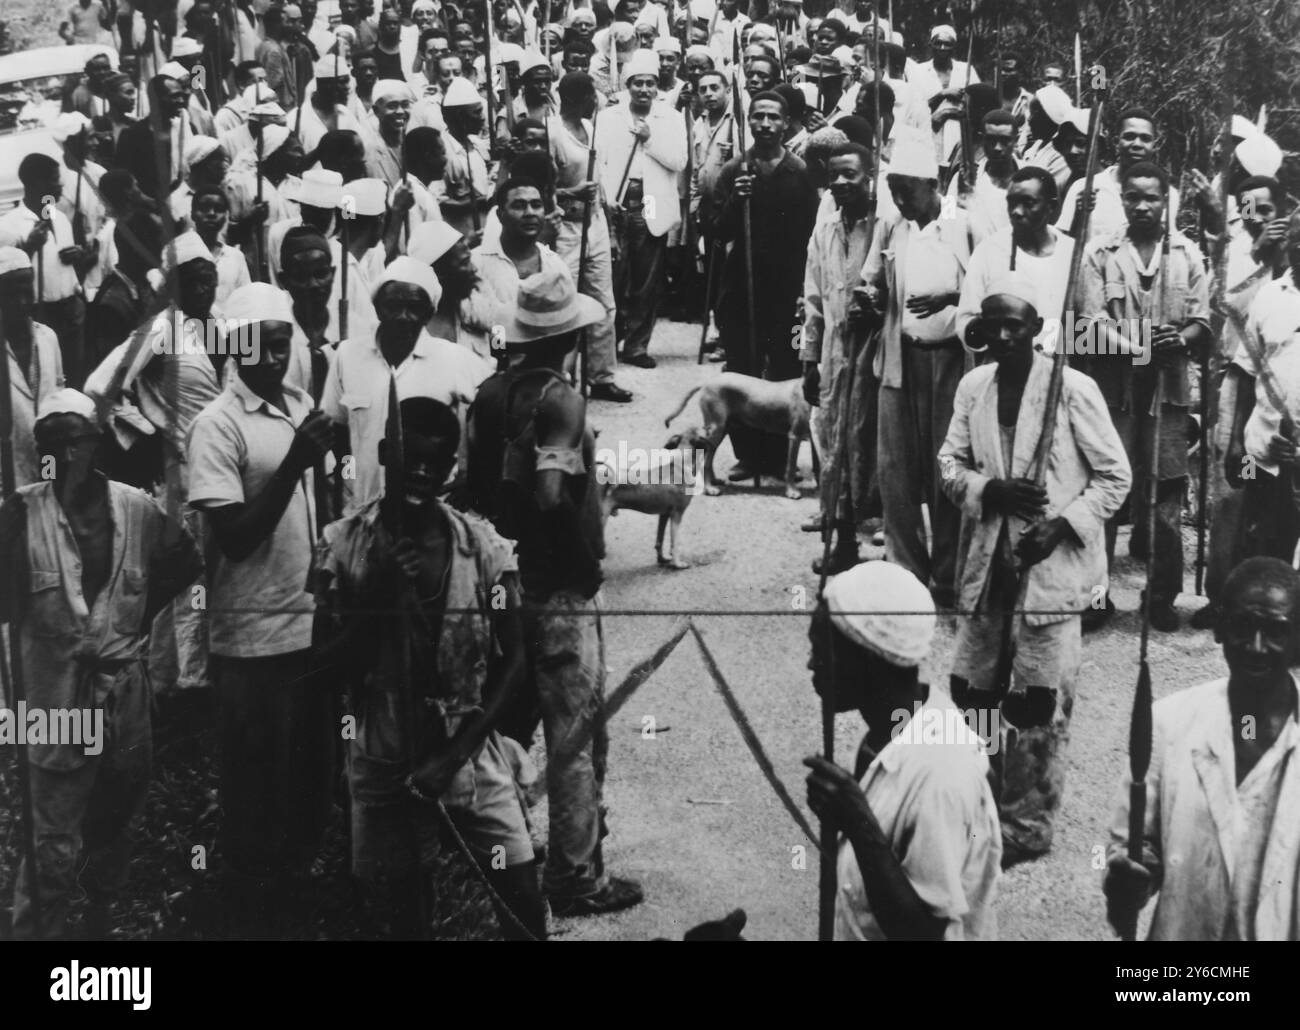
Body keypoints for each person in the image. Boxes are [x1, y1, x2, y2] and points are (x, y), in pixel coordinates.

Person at [314, 395, 546, 940]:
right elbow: (323, 667)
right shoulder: (343, 546)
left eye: (435, 462)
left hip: (469, 748)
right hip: (383, 745)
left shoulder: (482, 546)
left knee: (520, 897)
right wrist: (378, 598)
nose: (420, 472)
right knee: (401, 907)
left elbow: (515, 662)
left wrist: (455, 753)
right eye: (409, 457)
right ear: (383, 455)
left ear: (450, 469)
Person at [467, 268, 644, 917]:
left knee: (508, 727)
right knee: (573, 737)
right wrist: (580, 561)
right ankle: (574, 877)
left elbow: (474, 490)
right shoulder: (561, 400)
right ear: (567, 334)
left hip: (501, 584)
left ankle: (499, 852)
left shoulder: (488, 395)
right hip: (555, 587)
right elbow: (549, 491)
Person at [942, 274, 1131, 865]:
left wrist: (1061, 525)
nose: (1002, 335)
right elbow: (949, 464)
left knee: (1036, 705)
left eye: (1014, 325)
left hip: (1048, 577)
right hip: (987, 572)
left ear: (1036, 330)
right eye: (992, 324)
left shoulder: (1072, 390)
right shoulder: (974, 387)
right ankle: (979, 807)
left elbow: (1115, 477)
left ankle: (1026, 824)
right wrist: (987, 487)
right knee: (971, 693)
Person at [1, 388, 202, 940]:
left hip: (123, 691)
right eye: (52, 445)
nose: (66, 456)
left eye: (76, 441)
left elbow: (186, 558)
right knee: (52, 842)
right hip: (53, 697)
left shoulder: (135, 507)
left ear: (95, 444)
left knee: (117, 819)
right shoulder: (19, 511)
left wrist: (138, 621)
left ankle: (96, 929)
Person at [186, 282, 336, 936]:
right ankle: (250, 911)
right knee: (255, 791)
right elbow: (238, 539)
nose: (276, 358)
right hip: (249, 645)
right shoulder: (216, 425)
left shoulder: (301, 406)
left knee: (310, 781)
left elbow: (319, 512)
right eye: (263, 347)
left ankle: (295, 899)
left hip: (309, 632)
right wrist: (297, 459)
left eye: (284, 345)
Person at [803, 560, 1002, 940]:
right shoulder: (886, 736)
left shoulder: (941, 773)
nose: (812, 664)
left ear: (867, 657)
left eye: (822, 651)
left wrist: (858, 823)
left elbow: (925, 933)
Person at [1104, 557, 1300, 940]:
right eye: (1243, 626)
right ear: (1219, 630)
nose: (1257, 647)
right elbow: (1129, 844)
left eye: (1276, 631)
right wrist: (1127, 881)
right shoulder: (1168, 722)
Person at [1076, 160, 1210, 632]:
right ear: (1123, 199)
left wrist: (1182, 339)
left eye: (1152, 197)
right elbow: (1087, 327)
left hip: (1168, 398)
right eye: (1134, 197)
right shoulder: (1099, 253)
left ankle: (1160, 596)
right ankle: (1095, 595)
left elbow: (1201, 320)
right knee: (1105, 494)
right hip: (1115, 397)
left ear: (1166, 201)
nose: (1143, 205)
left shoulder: (1188, 254)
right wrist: (1137, 347)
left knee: (1165, 499)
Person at [859, 131, 973, 608]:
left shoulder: (964, 225)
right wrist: (869, 297)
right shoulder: (892, 227)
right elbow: (872, 281)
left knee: (946, 468)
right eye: (894, 191)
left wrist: (951, 298)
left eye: (908, 190)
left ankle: (948, 572)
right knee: (896, 470)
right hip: (899, 358)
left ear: (932, 184)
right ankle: (906, 568)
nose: (901, 200)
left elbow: (990, 291)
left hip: (949, 361)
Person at [324, 257, 493, 513]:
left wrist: (469, 478)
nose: (403, 316)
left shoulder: (455, 359)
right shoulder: (347, 356)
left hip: (431, 513)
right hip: (364, 508)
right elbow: (338, 430)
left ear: (429, 313)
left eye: (414, 307)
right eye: (393, 306)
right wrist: (350, 479)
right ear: (378, 308)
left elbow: (493, 409)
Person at [713, 89, 818, 481]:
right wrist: (733, 203)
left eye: (774, 117)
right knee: (743, 368)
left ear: (787, 121)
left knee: (787, 368)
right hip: (742, 289)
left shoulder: (800, 172)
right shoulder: (735, 171)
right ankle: (749, 456)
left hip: (788, 291)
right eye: (758, 116)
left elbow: (813, 236)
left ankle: (777, 455)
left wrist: (805, 294)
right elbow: (717, 231)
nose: (766, 124)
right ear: (748, 120)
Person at [1200, 178, 1290, 628]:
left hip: (1278, 410)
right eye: (1248, 207)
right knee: (1232, 499)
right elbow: (1223, 307)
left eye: (1267, 208)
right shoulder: (1235, 249)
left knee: (1271, 518)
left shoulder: (1287, 260)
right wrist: (1259, 255)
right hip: (1237, 387)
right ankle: (1222, 597)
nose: (1258, 215)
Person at [801, 142, 879, 574]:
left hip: (875, 355)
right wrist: (808, 358)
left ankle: (897, 552)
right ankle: (844, 542)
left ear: (870, 175)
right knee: (834, 448)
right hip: (833, 355)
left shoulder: (886, 226)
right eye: (835, 175)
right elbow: (810, 298)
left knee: (877, 451)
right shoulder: (825, 227)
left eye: (851, 174)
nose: (841, 182)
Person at [597, 49, 687, 369]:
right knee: (615, 277)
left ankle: (637, 347)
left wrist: (649, 139)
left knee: (646, 279)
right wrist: (607, 200)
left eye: (650, 83)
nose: (645, 90)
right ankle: (612, 340)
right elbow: (601, 162)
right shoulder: (609, 117)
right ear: (628, 85)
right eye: (638, 84)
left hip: (649, 200)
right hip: (619, 199)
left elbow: (678, 161)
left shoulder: (670, 117)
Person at [1224, 206, 1300, 579]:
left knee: (1290, 545)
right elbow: (1244, 369)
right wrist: (1237, 441)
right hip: (1258, 451)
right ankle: (1236, 608)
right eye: (1297, 238)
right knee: (1251, 530)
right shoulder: (1270, 295)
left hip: (1296, 460)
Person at [550, 72, 633, 401]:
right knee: (564, 303)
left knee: (603, 304)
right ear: (577, 98)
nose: (596, 102)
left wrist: (610, 230)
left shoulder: (591, 130)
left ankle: (601, 377)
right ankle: (560, 377)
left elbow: (598, 188)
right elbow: (539, 187)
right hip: (565, 228)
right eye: (592, 96)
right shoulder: (553, 134)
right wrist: (571, 192)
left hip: (594, 225)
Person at [956, 167, 1075, 355]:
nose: (1017, 212)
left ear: (1051, 206)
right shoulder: (989, 251)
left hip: (1058, 370)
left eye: (1028, 203)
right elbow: (966, 322)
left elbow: (1086, 322)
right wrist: (989, 323)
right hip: (1004, 367)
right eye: (1012, 203)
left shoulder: (1072, 253)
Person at [0, 155, 93, 389]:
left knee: (77, 372)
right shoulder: (9, 226)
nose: (60, 185)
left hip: (72, 309)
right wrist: (29, 246)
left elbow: (67, 265)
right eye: (53, 180)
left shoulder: (59, 217)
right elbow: (7, 279)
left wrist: (79, 256)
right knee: (48, 377)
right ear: (35, 184)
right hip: (41, 314)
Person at [1057, 108, 1181, 241]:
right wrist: (1080, 214)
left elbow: (1170, 243)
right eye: (1129, 137)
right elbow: (1062, 242)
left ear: (1154, 146)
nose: (1137, 144)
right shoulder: (1083, 187)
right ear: (1116, 142)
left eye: (1145, 139)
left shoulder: (1168, 195)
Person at [0, 248, 66, 489]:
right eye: (9, 294)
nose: (22, 302)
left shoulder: (48, 338)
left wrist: (54, 473)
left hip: (47, 468)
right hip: (7, 480)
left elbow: (58, 396)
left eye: (26, 291)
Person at [948, 109, 1019, 241]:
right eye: (991, 141)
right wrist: (963, 199)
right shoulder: (960, 178)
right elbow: (945, 222)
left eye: (1005, 141)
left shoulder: (1032, 178)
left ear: (1016, 140)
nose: (997, 148)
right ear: (982, 140)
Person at [294, 56, 362, 153]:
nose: (348, 87)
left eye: (347, 81)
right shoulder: (297, 119)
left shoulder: (345, 113)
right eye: (342, 82)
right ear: (323, 84)